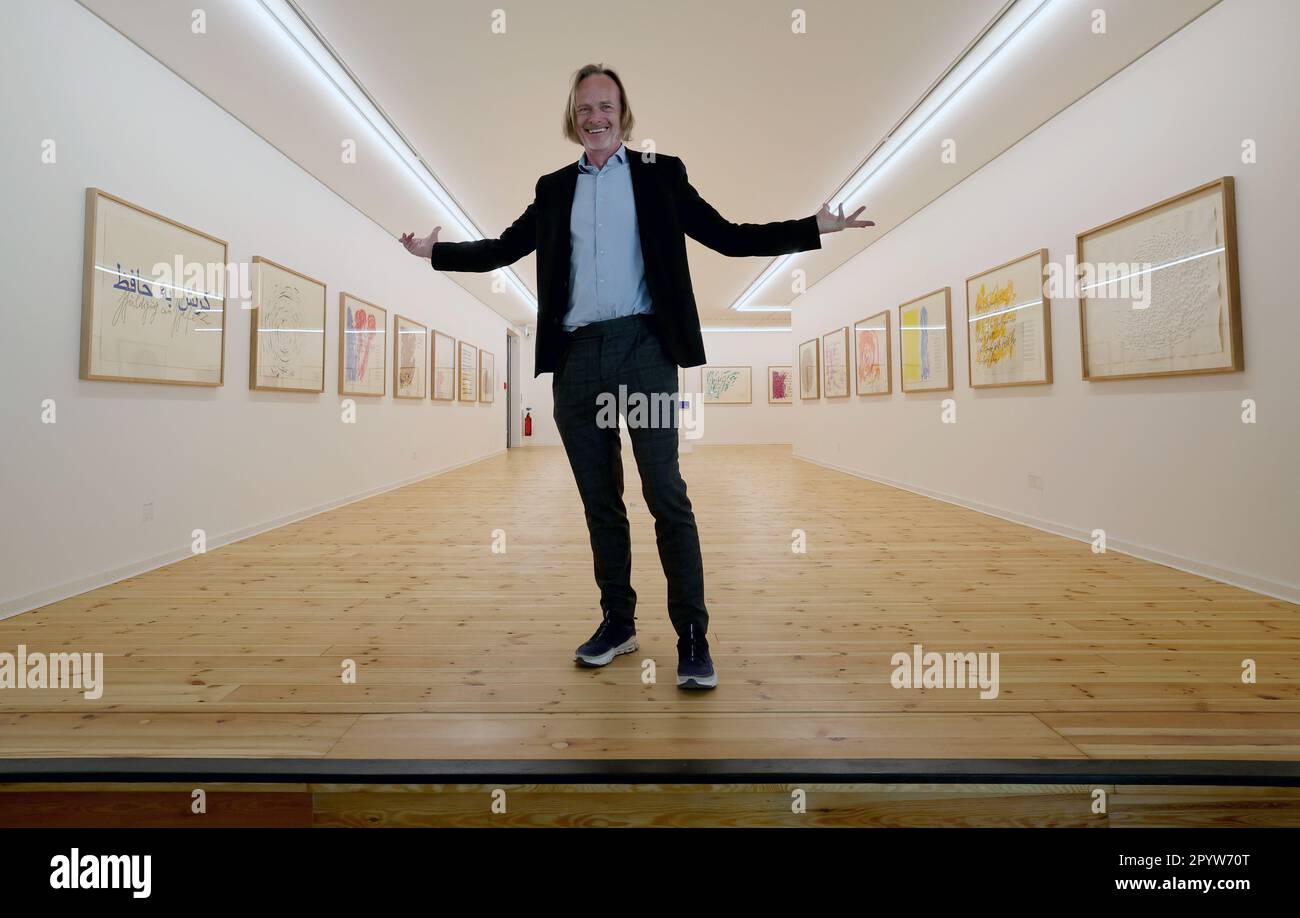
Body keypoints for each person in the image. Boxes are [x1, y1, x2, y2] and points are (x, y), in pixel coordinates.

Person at [402, 63, 872, 689]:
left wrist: (814, 228)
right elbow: (502, 249)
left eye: (606, 106)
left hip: (644, 350)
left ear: (623, 114)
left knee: (665, 493)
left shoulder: (660, 174)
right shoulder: (552, 189)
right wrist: (437, 253)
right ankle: (617, 622)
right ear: (573, 118)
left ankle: (694, 635)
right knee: (601, 502)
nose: (595, 117)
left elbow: (727, 238)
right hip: (575, 359)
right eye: (585, 108)